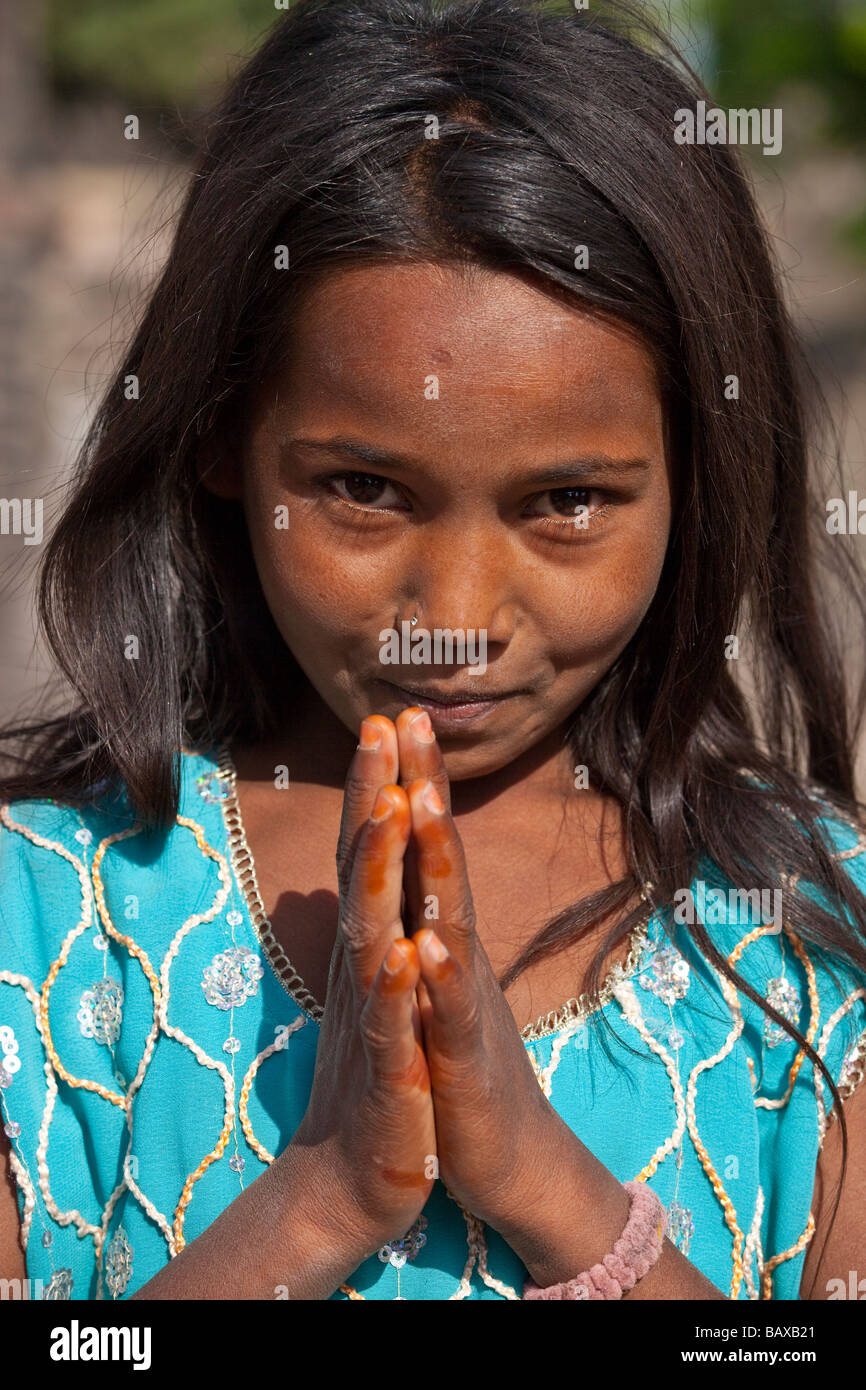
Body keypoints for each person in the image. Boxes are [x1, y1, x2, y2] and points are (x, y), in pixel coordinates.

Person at [1, 0, 865, 1302]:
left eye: (566, 501)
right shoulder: (46, 924)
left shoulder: (805, 939)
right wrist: (320, 1196)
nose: (451, 609)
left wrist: (545, 1182)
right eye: (361, 486)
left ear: (698, 479)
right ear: (223, 438)